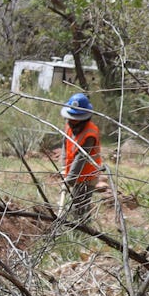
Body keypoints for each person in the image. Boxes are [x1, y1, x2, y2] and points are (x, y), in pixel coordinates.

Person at [60, 92, 103, 224]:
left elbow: (81, 158)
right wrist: (63, 168)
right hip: (74, 172)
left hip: (87, 175)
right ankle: (79, 224)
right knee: (76, 203)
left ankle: (84, 229)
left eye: (76, 119)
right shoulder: (69, 126)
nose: (72, 121)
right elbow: (65, 146)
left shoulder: (90, 133)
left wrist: (69, 179)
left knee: (79, 205)